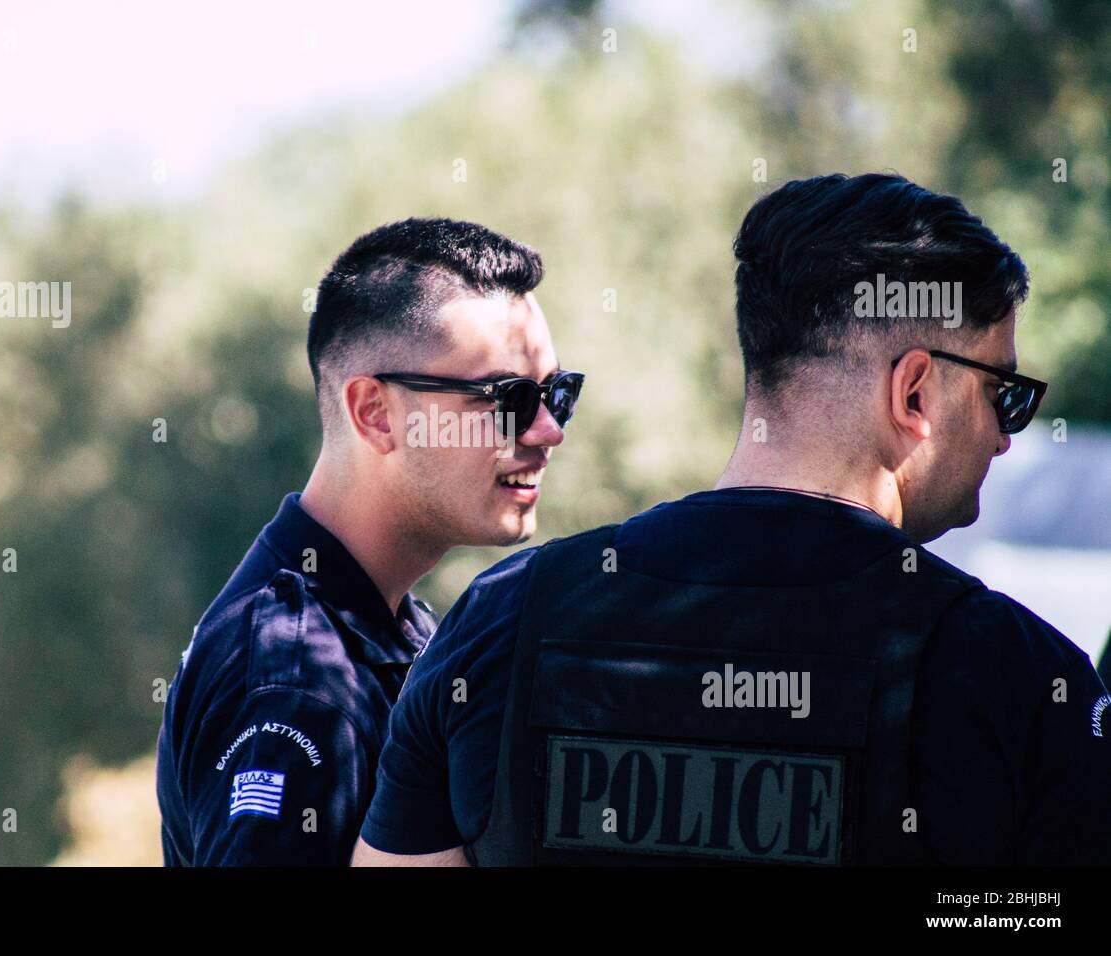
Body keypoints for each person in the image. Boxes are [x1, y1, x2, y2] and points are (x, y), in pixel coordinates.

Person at [351, 174, 1111, 866]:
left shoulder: (500, 620)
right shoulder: (1020, 677)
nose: (1006, 436)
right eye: (1003, 394)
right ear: (914, 393)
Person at [156, 217, 584, 864]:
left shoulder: (385, 626)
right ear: (376, 414)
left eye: (558, 393)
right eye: (510, 399)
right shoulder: (296, 682)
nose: (548, 431)